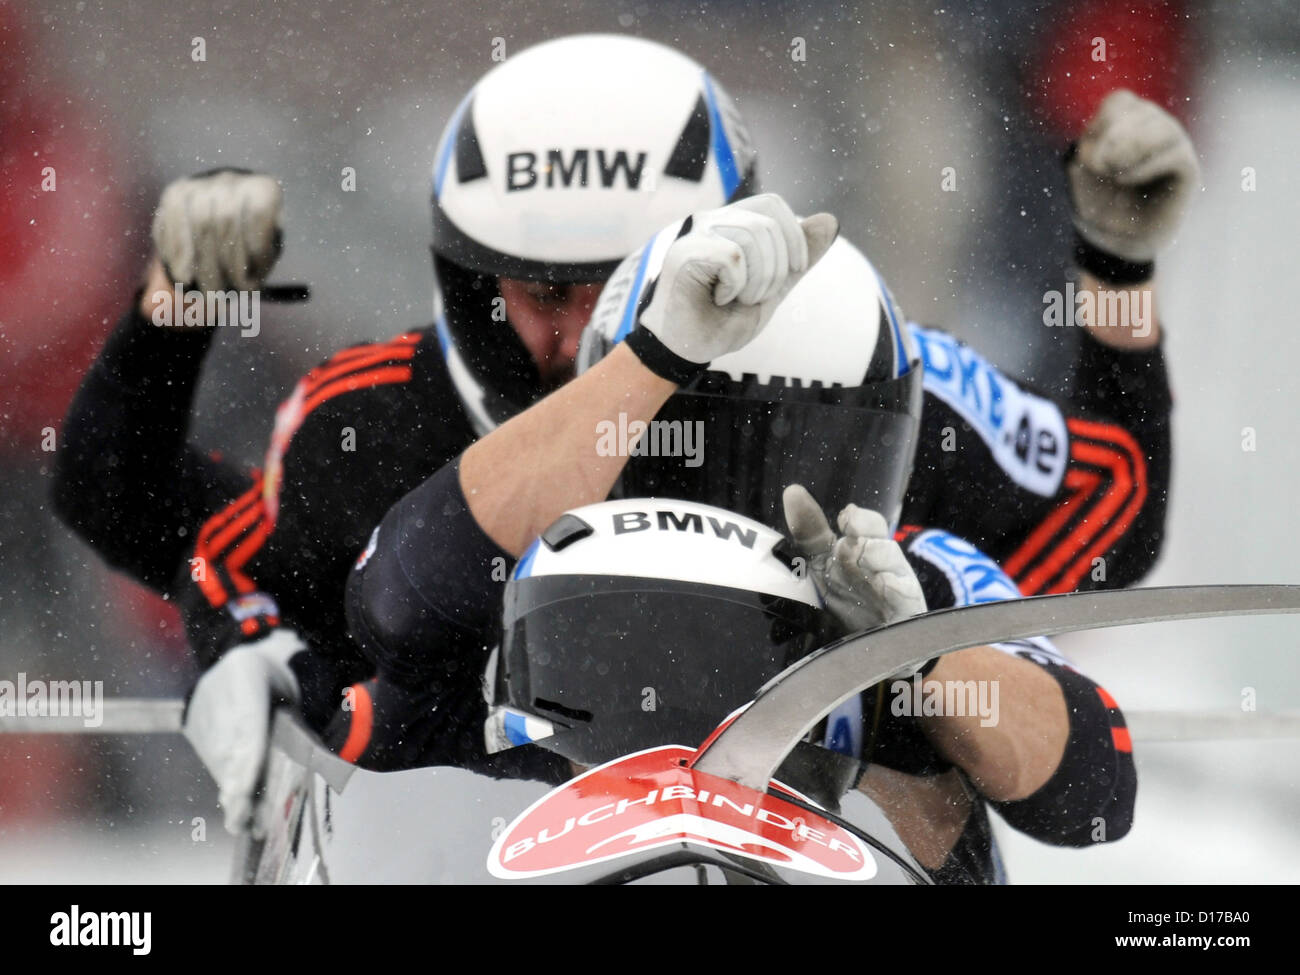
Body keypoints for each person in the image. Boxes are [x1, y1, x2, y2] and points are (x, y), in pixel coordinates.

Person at [49, 35, 1190, 832]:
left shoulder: (872, 378)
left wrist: (927, 657)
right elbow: (205, 539)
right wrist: (251, 651)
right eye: (529, 293)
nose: (559, 336)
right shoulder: (373, 423)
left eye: (791, 431)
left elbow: (1104, 549)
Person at [327, 232, 1135, 883]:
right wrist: (660, 353)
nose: (745, 498)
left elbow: (1095, 785)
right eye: (695, 445)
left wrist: (920, 663)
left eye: (807, 452)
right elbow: (387, 604)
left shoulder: (920, 579)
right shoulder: (525, 557)